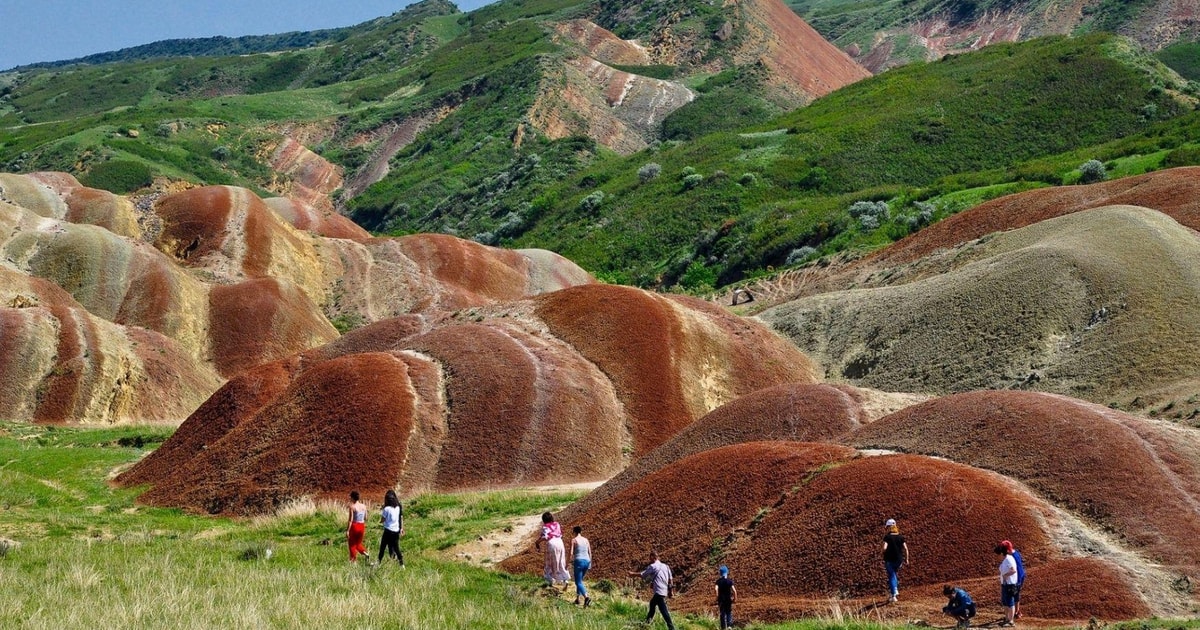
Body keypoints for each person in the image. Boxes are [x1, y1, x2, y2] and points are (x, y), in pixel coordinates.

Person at [627, 550, 675, 630]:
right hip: (664, 591)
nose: (650, 560)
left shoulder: (653, 566)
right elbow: (670, 580)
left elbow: (643, 575)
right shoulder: (666, 566)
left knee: (663, 610)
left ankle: (671, 628)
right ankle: (647, 623)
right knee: (652, 604)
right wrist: (671, 591)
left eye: (650, 558)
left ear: (653, 557)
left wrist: (632, 574)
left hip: (658, 592)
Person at [535, 512, 570, 588]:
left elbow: (544, 537)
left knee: (549, 562)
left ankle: (550, 580)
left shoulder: (545, 527)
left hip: (552, 543)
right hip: (560, 542)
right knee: (561, 561)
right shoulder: (557, 524)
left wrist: (537, 543)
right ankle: (565, 580)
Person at [882, 518, 909, 602]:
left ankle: (894, 592)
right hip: (899, 560)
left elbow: (884, 548)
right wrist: (907, 559)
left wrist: (883, 553)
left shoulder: (887, 537)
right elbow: (905, 548)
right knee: (893, 574)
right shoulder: (900, 537)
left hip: (889, 560)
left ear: (889, 527)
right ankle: (892, 595)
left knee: (891, 575)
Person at [377, 489, 404, 566]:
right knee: (396, 548)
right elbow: (400, 517)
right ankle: (401, 564)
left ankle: (378, 562)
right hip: (396, 530)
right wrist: (401, 528)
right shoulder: (398, 507)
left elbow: (382, 520)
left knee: (382, 547)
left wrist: (380, 521)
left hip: (388, 531)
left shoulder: (386, 509)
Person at [996, 542, 1019, 626]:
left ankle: (1011, 621)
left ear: (1002, 553)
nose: (997, 557)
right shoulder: (1005, 560)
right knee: (1005, 602)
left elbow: (1013, 570)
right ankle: (1006, 619)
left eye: (998, 555)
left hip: (1010, 584)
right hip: (1005, 584)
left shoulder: (1009, 559)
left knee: (1010, 603)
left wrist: (1005, 575)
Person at [570, 525, 592, 607]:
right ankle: (577, 599)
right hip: (587, 561)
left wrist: (569, 561)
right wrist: (590, 563)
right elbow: (590, 553)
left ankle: (586, 597)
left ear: (574, 532)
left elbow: (571, 553)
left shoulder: (574, 540)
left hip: (579, 561)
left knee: (577, 582)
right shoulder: (586, 540)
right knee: (580, 581)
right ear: (581, 532)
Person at [1003, 540, 1026, 619]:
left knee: (1014, 594)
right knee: (1016, 593)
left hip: (1018, 577)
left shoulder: (1011, 557)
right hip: (1021, 575)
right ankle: (1017, 611)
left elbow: (1014, 569)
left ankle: (1014, 612)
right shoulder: (1016, 552)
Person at [346, 491, 368, 562]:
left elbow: (350, 520)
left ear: (352, 498)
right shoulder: (364, 506)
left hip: (355, 526)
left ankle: (353, 561)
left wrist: (347, 530)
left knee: (352, 544)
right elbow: (366, 518)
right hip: (362, 526)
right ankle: (365, 552)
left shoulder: (352, 507)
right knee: (358, 543)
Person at [714, 565, 737, 630]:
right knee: (728, 612)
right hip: (728, 600)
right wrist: (735, 599)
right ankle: (729, 626)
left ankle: (723, 627)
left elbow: (715, 589)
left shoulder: (718, 581)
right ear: (727, 573)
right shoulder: (729, 581)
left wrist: (717, 597)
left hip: (721, 600)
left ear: (720, 573)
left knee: (722, 613)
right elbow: (734, 591)